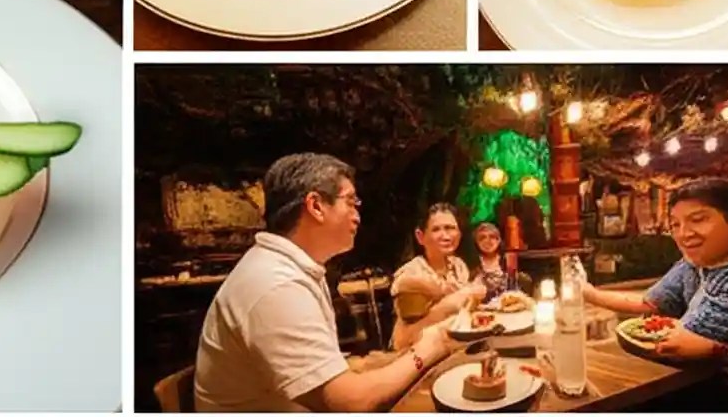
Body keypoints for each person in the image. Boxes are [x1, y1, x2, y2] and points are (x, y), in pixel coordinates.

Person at [193, 154, 464, 412]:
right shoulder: (277, 285)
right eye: (350, 202)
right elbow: (350, 403)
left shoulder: (295, 269)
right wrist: (435, 343)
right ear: (316, 206)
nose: (358, 215)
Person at [582, 177, 728, 402]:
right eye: (675, 224)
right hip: (702, 380)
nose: (684, 234)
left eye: (697, 220)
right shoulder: (699, 260)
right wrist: (587, 292)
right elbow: (649, 304)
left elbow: (680, 342)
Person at [389, 203, 485, 350]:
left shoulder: (458, 266)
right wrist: (450, 299)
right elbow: (403, 339)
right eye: (436, 229)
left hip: (458, 346)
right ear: (420, 237)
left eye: (450, 228)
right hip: (417, 355)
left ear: (459, 234)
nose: (445, 236)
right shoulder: (410, 275)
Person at [470, 222, 507, 302]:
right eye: (482, 238)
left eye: (492, 237)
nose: (488, 241)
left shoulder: (507, 260)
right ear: (476, 242)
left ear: (499, 240)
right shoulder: (471, 264)